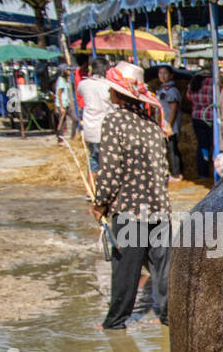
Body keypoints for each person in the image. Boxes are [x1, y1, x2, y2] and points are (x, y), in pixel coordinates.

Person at [90, 61, 172, 330]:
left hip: (130, 210)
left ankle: (115, 321)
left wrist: (100, 202)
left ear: (116, 94)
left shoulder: (114, 121)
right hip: (159, 208)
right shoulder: (152, 123)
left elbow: (111, 168)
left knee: (126, 267)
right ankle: (170, 317)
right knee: (162, 269)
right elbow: (163, 169)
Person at [76, 56, 112, 179]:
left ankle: (91, 190)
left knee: (94, 159)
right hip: (106, 129)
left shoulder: (84, 84)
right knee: (108, 160)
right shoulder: (108, 86)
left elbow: (80, 92)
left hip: (90, 129)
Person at [187, 61, 215, 177]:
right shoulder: (212, 83)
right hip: (210, 117)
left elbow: (188, 97)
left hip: (196, 117)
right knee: (212, 144)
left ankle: (202, 173)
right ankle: (213, 171)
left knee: (201, 145)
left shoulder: (194, 82)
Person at [155, 64, 183, 181]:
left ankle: (177, 173)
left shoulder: (171, 90)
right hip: (163, 124)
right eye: (160, 73)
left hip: (169, 124)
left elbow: (174, 107)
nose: (162, 75)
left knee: (172, 149)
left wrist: (169, 124)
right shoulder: (161, 89)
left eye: (165, 73)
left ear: (171, 76)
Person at [53, 64, 73, 142]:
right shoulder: (61, 80)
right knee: (62, 122)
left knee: (75, 119)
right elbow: (59, 94)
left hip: (67, 104)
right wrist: (61, 107)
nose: (69, 72)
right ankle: (60, 140)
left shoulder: (66, 80)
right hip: (62, 105)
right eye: (68, 70)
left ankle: (73, 137)